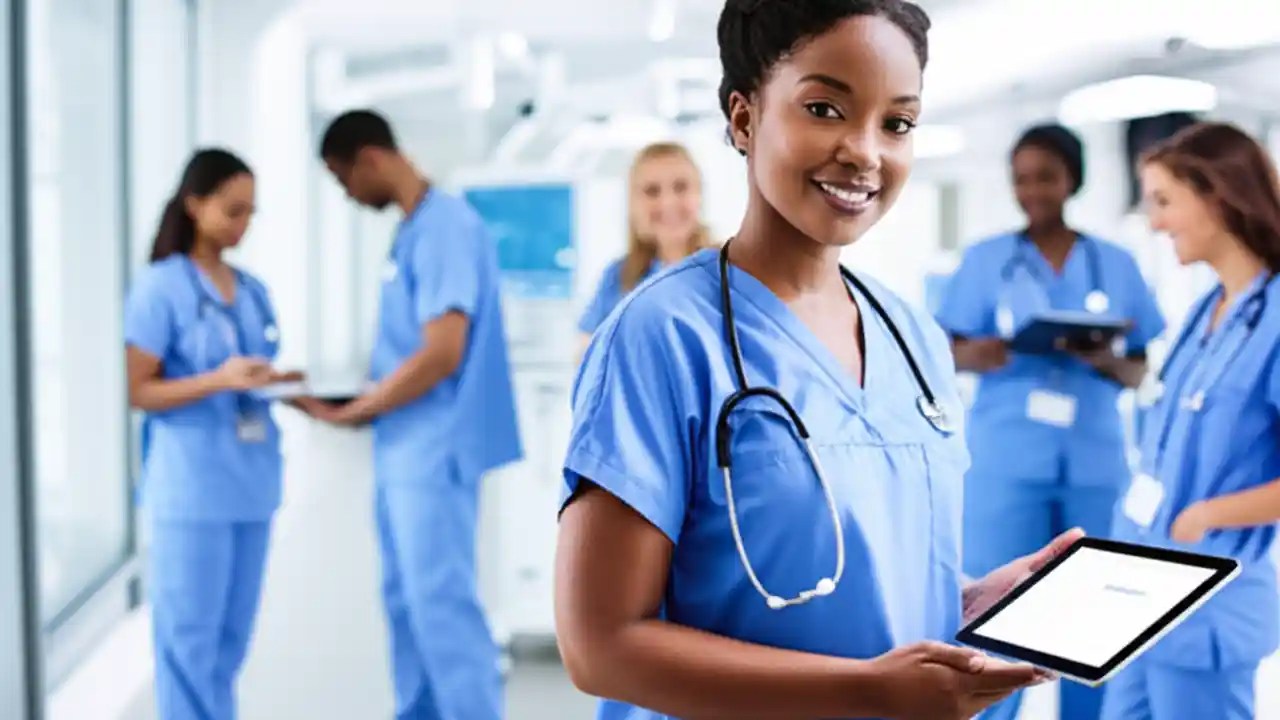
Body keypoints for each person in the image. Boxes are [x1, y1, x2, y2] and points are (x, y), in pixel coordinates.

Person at [553, 2, 1082, 719]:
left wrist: (965, 602)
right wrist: (866, 690)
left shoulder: (914, 338)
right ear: (743, 119)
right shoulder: (661, 334)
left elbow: (859, 583)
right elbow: (601, 645)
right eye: (826, 108)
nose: (865, 151)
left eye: (897, 123)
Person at [935, 123, 1166, 720]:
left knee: (1092, 614)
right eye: (1021, 179)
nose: (1032, 190)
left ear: (1072, 180)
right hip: (1007, 464)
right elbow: (944, 348)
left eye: (1046, 176)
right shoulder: (987, 260)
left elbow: (1140, 372)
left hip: (1093, 460)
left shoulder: (1114, 263)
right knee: (997, 616)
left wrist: (1105, 359)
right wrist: (980, 353)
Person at [310, 109, 521, 720]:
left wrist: (361, 408)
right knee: (407, 604)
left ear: (370, 159)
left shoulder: (445, 227)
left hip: (433, 449)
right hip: (406, 447)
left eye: (343, 179)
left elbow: (441, 352)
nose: (348, 196)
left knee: (442, 607)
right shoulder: (413, 230)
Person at [1100, 122, 1280, 720]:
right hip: (1143, 590)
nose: (1154, 223)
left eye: (1164, 201)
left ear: (1218, 195)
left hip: (1209, 601)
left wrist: (1208, 516)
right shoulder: (1207, 308)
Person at [125, 149, 298, 720]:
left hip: (249, 486)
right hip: (191, 490)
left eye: (251, 213)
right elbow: (136, 389)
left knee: (228, 645)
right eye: (232, 210)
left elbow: (255, 368)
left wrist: (281, 381)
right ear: (195, 205)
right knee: (188, 646)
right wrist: (216, 380)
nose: (242, 225)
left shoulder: (250, 288)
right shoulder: (160, 288)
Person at [578, 141, 713, 353]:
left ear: (700, 194)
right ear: (634, 204)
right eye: (652, 191)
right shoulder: (617, 278)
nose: (668, 202)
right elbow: (586, 357)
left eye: (681, 187)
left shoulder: (732, 273)